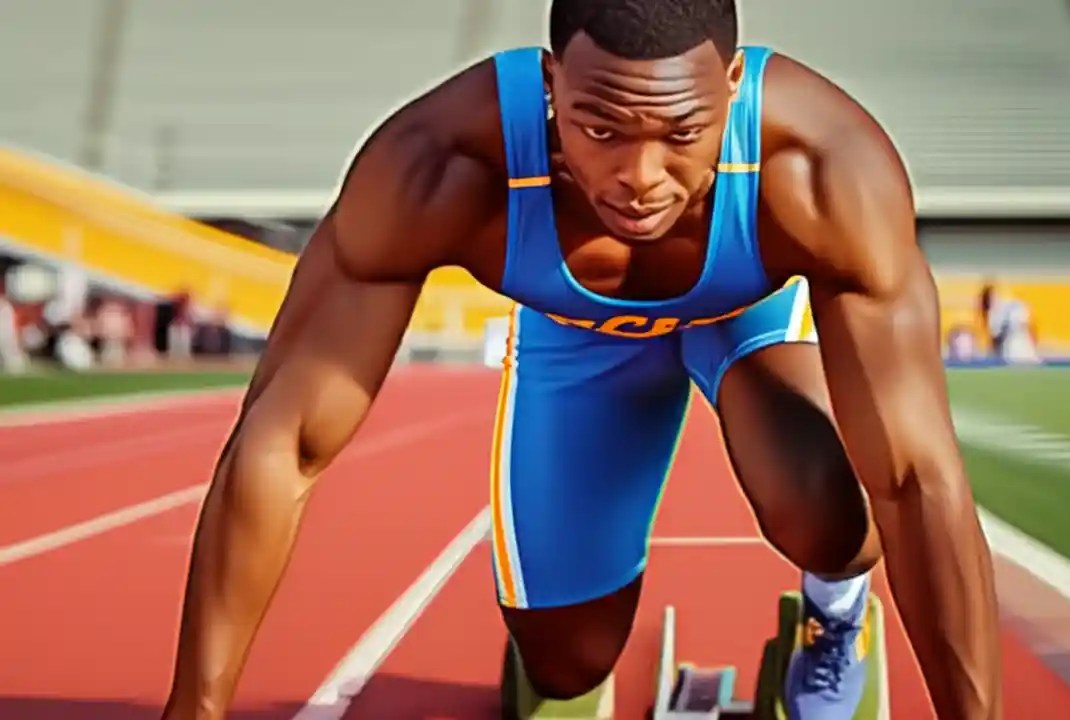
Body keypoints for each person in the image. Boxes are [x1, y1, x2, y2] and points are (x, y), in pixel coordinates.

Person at [160, 1, 1002, 718]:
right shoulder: (440, 165)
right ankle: (553, 630)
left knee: (829, 504)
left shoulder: (821, 170)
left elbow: (918, 478)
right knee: (567, 664)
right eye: (600, 128)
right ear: (551, 82)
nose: (640, 177)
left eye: (682, 133)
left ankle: (835, 610)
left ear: (735, 88)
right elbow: (281, 444)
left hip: (746, 317)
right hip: (577, 333)